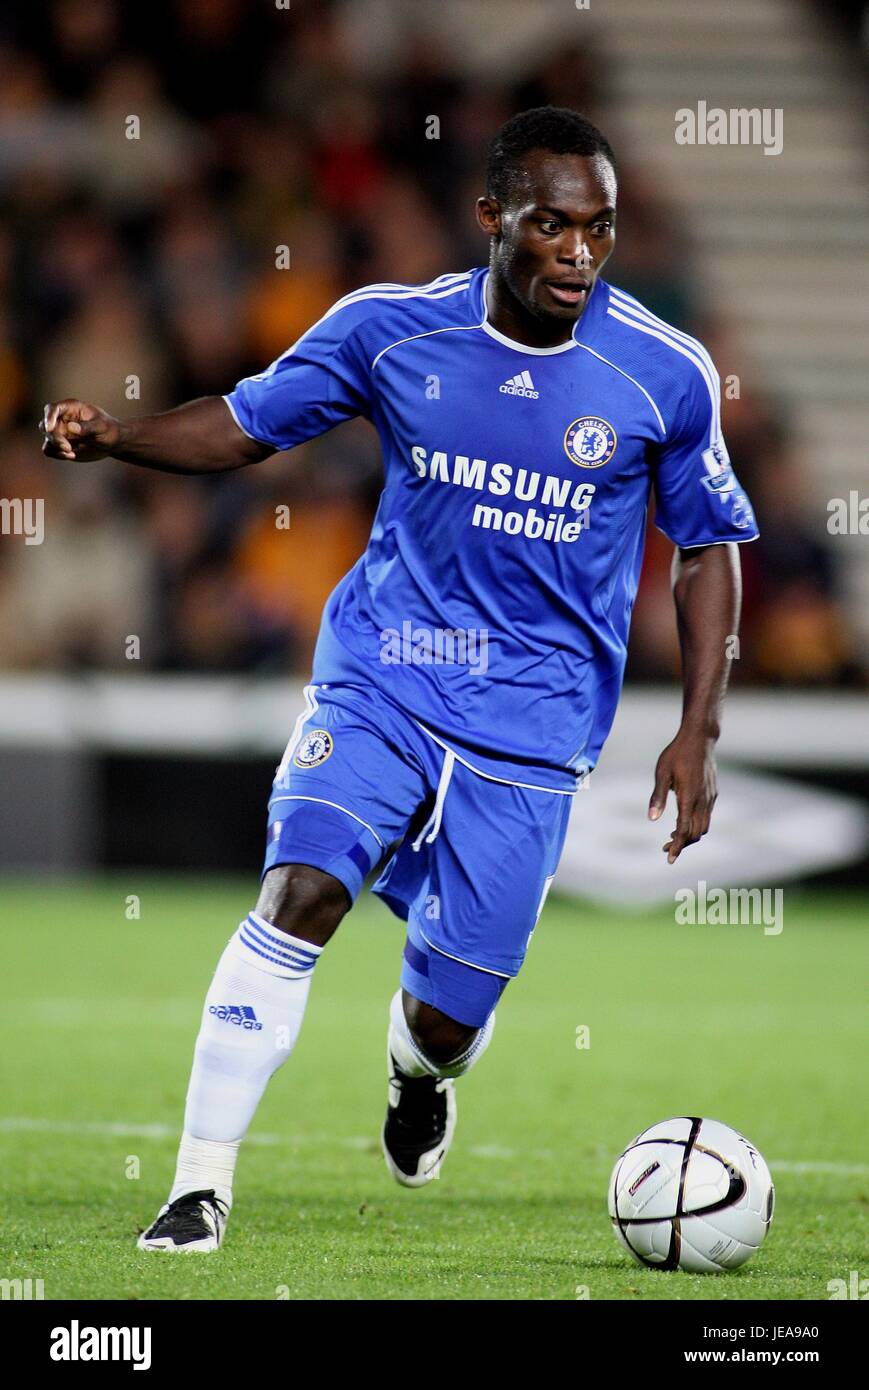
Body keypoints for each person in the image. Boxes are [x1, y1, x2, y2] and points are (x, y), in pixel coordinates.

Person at [41, 107, 758, 1253]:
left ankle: (416, 1065)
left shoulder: (659, 373)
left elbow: (708, 547)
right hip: (385, 675)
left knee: (448, 1009)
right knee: (298, 892)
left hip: (533, 721)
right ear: (490, 219)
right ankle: (197, 1185)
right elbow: (242, 426)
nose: (579, 252)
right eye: (552, 226)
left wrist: (698, 730)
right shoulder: (388, 331)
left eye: (601, 229)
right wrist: (117, 436)